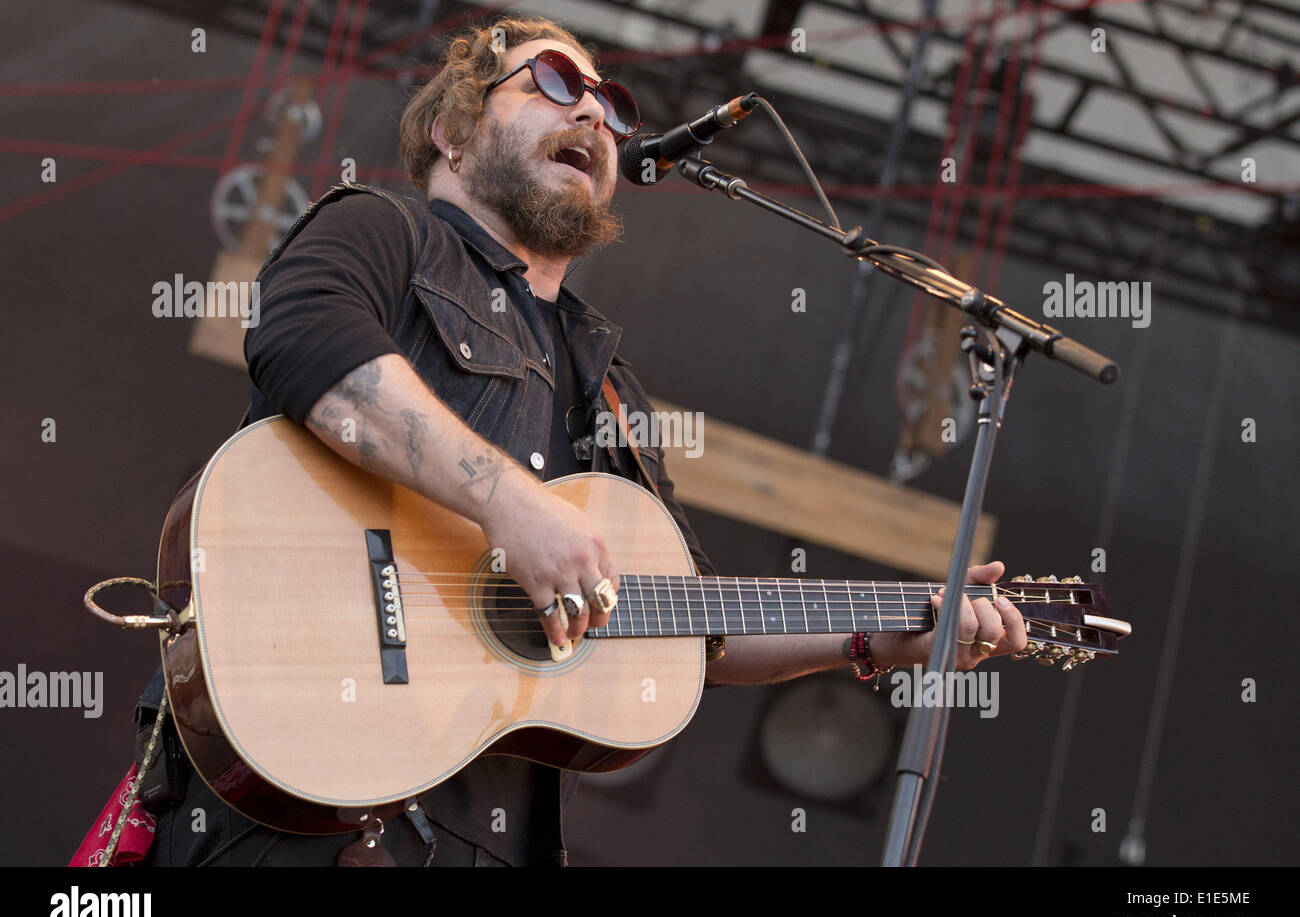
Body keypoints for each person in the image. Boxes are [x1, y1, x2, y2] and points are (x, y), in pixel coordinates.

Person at [133, 14, 1026, 867]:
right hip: (309, 811)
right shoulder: (385, 230)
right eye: (556, 82)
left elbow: (692, 624)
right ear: (451, 128)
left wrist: (877, 635)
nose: (596, 112)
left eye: (613, 102)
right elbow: (303, 340)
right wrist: (505, 502)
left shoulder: (611, 387)